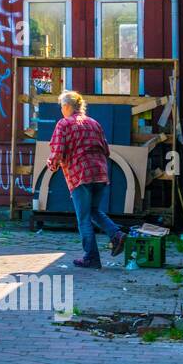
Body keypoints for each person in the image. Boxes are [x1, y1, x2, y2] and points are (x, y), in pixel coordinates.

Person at [46, 90, 124, 269]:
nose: (61, 110)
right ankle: (117, 234)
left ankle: (91, 257)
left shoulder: (64, 124)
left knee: (83, 218)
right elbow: (106, 150)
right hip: (100, 172)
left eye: (61, 107)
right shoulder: (94, 123)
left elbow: (57, 152)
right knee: (94, 210)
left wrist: (51, 164)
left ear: (67, 106)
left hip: (80, 175)